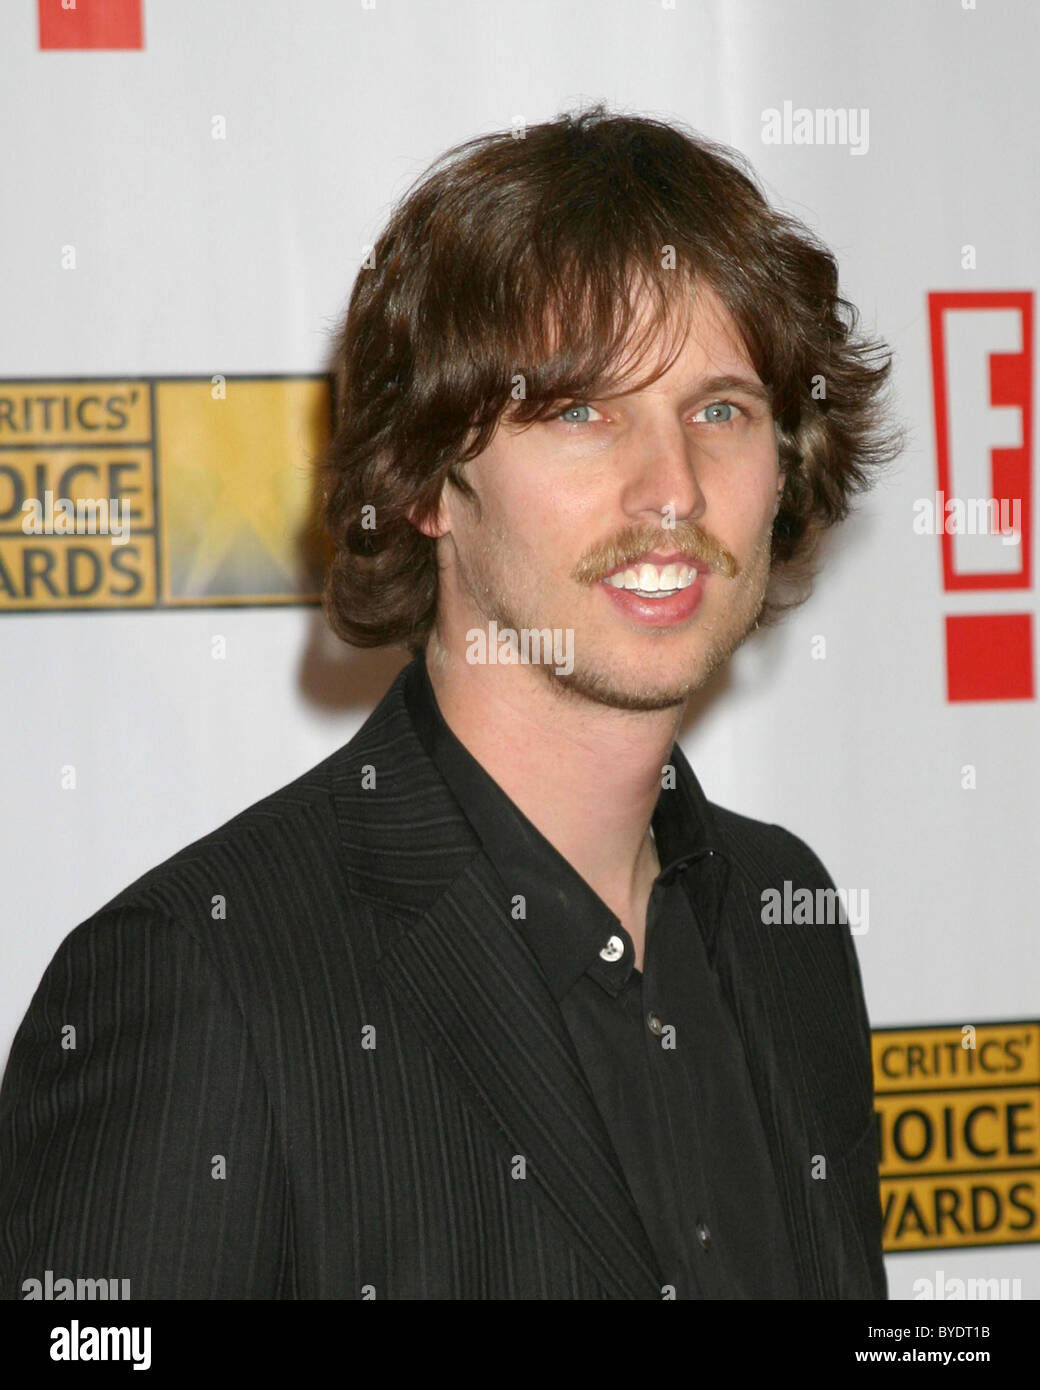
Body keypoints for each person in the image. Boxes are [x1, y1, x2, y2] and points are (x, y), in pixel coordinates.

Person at [0, 105, 900, 1300]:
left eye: (719, 410)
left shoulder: (786, 925)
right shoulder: (204, 977)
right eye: (580, 411)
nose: (672, 488)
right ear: (428, 483)